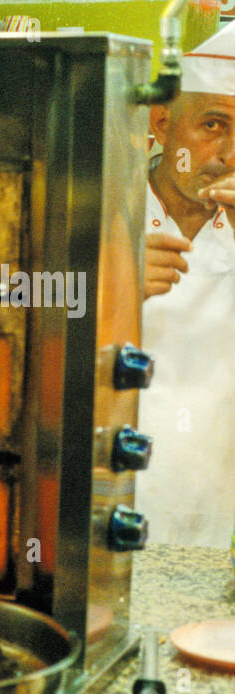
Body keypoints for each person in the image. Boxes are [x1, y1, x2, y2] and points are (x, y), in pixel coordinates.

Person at [138, 22, 235, 548]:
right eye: (213, 124)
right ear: (161, 123)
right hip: (104, 501)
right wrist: (108, 285)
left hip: (211, 511)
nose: (229, 154)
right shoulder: (101, 211)